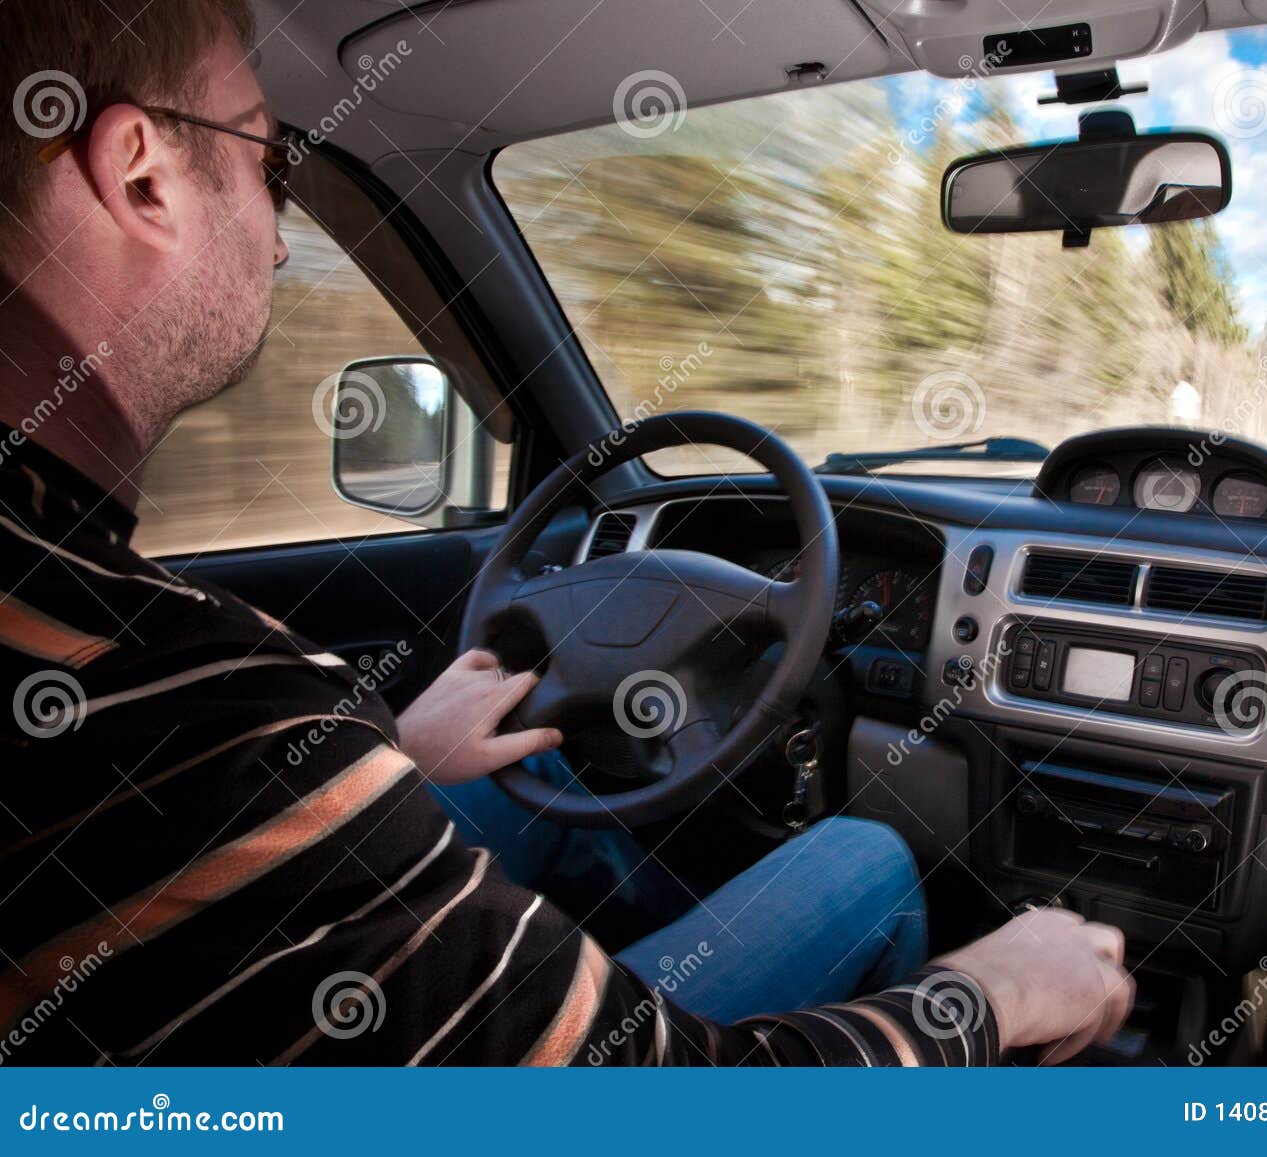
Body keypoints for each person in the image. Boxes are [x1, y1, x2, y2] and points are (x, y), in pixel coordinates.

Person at [0, 0, 1133, 1065]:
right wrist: (989, 991)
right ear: (142, 175)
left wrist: (386, 750)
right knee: (872, 856)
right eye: (272, 162)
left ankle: (568, 967)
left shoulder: (93, 632)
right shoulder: (196, 697)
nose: (286, 235)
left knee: (531, 788)